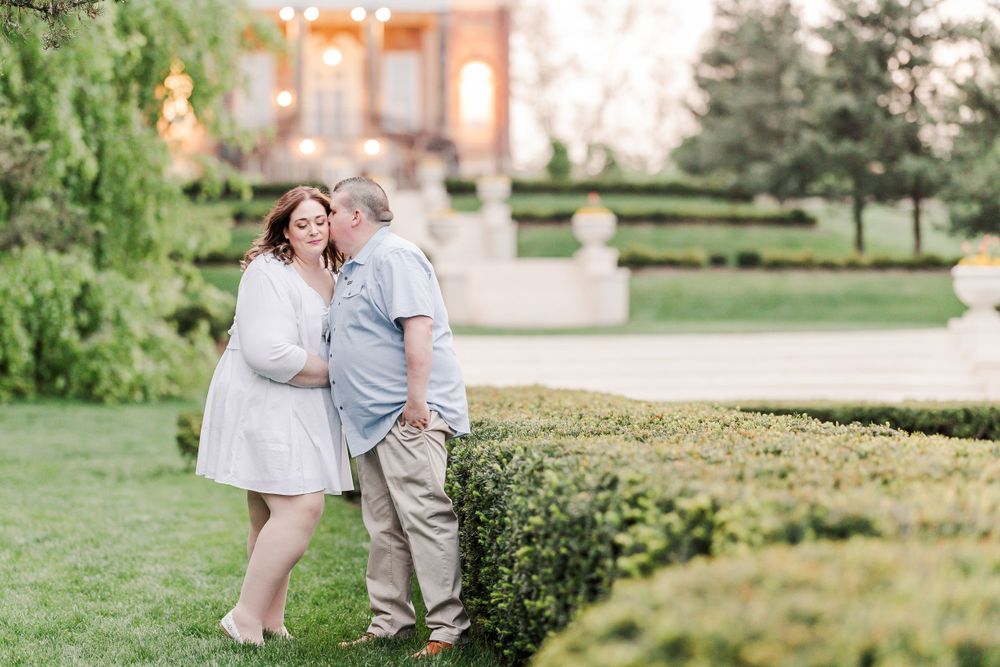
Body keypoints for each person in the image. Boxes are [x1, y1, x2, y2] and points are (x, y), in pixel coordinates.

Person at [196, 185, 353, 646]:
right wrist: (340, 374)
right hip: (262, 402)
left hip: (301, 405)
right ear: (284, 229)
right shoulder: (269, 271)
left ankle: (269, 618)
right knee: (302, 506)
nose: (313, 231)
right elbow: (268, 354)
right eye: (301, 223)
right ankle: (243, 616)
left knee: (267, 518)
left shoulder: (330, 271)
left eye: (320, 221)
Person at [326, 176, 471, 659]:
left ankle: (447, 629)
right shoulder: (353, 268)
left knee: (425, 517)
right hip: (370, 422)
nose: (324, 221)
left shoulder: (396, 257)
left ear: (355, 216)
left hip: (405, 415)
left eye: (329, 212)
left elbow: (419, 329)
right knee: (384, 525)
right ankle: (389, 621)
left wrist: (416, 400)